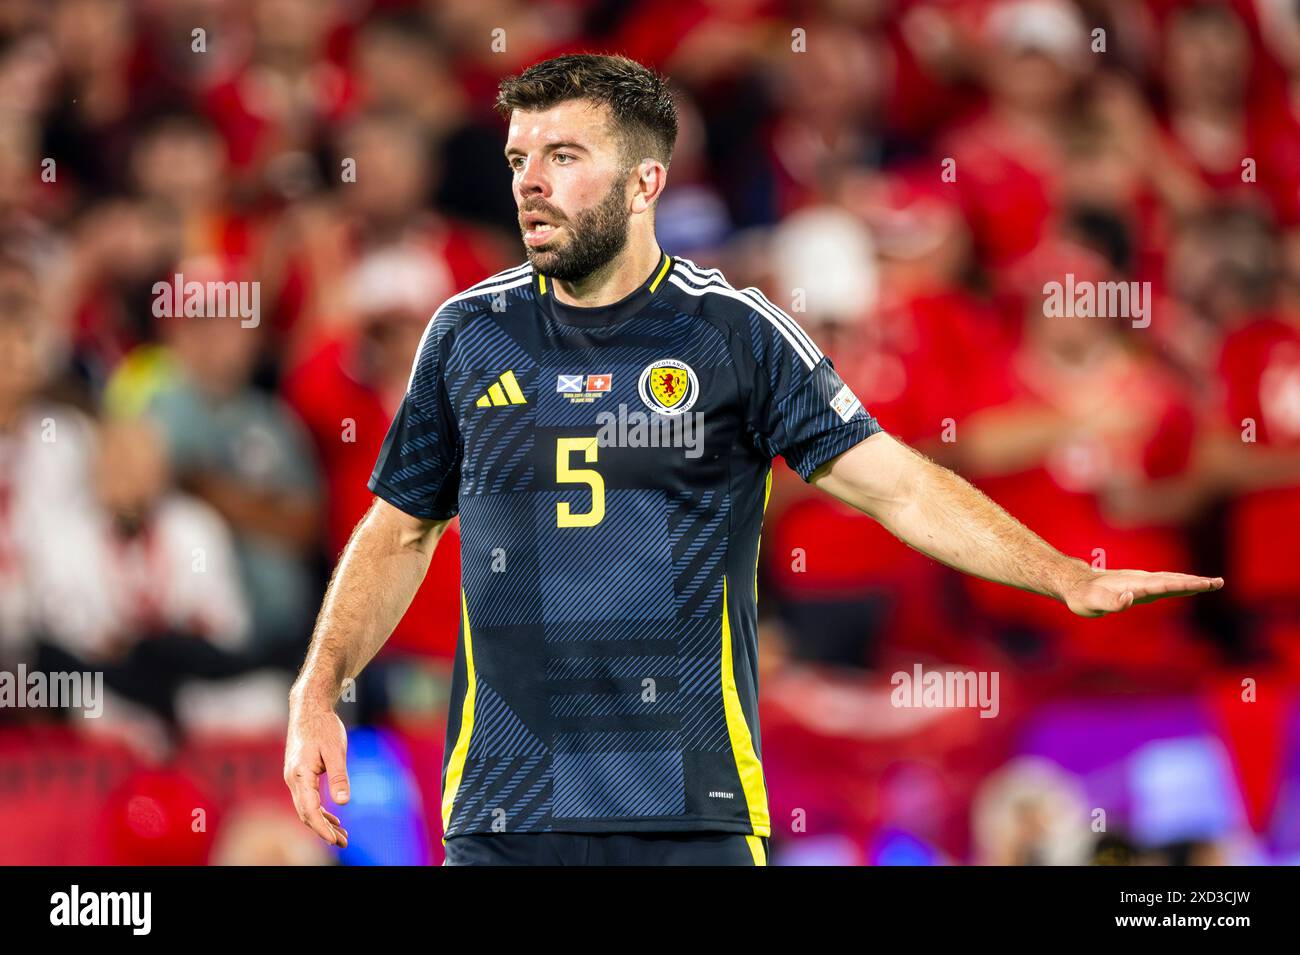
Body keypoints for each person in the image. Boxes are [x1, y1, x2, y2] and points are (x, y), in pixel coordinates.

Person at [284, 53, 1224, 867]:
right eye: (520, 158)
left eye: (564, 157)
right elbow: (400, 527)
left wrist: (1059, 573)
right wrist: (319, 684)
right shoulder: (468, 335)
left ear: (645, 182)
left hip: (692, 807)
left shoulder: (733, 335)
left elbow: (893, 482)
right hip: (506, 808)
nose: (530, 180)